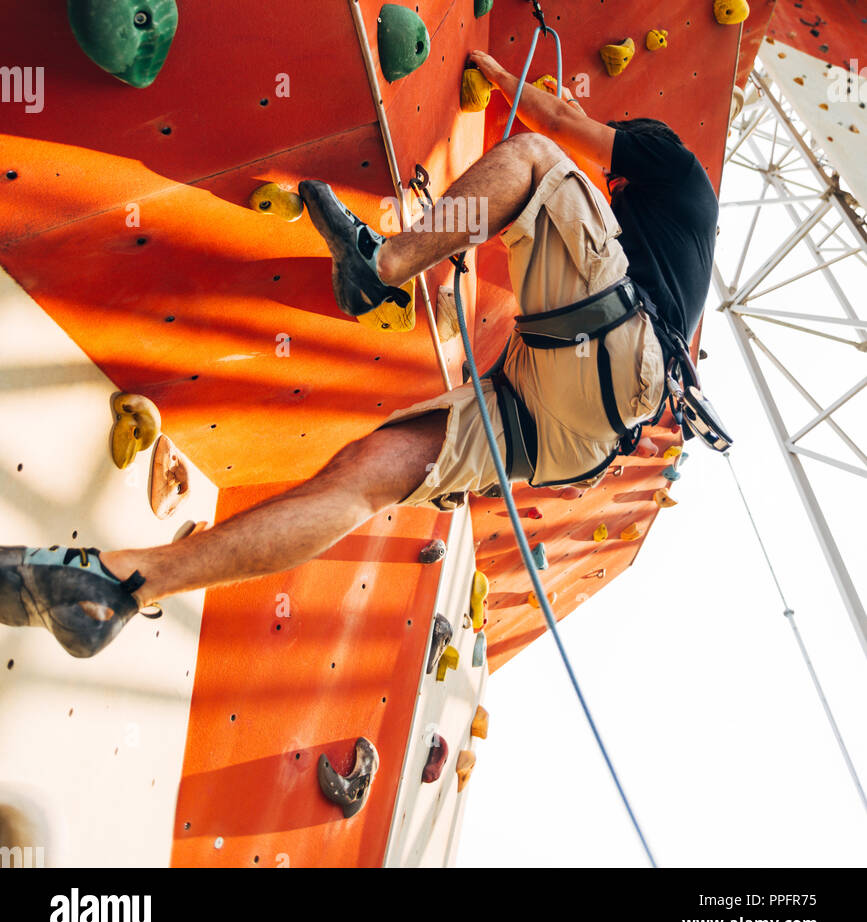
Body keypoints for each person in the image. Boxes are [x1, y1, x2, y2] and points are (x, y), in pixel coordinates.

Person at [0, 51, 718, 658]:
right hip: (576, 438)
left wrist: (498, 74)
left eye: (617, 181)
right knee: (360, 480)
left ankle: (381, 267)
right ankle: (118, 586)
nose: (610, 190)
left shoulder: (671, 163)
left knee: (535, 160)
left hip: (618, 359)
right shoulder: (663, 243)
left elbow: (561, 127)